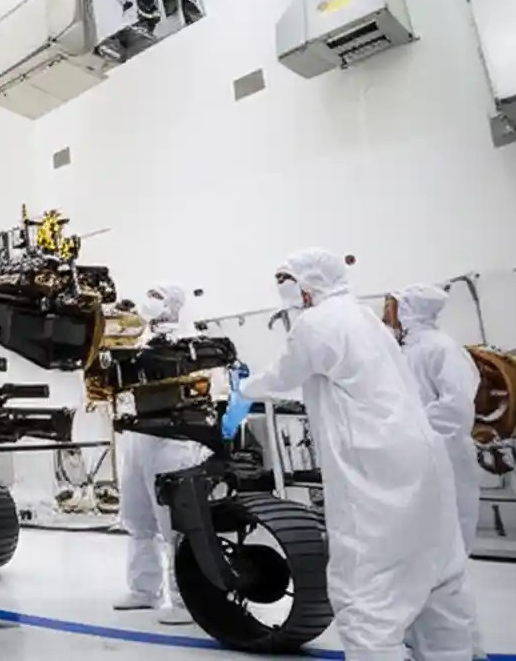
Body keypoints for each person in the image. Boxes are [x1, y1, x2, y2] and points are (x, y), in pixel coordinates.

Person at [234, 249, 472, 661]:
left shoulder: (318, 322)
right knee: (439, 589)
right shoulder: (364, 319)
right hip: (424, 461)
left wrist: (239, 388)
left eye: (287, 281)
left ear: (308, 286)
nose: (285, 291)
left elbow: (283, 375)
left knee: (366, 598)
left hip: (375, 471)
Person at [387, 283, 487, 659]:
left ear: (409, 309)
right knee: (417, 563)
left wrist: (403, 427)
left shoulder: (442, 349)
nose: (386, 315)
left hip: (444, 463)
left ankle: (458, 650)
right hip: (414, 464)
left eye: (391, 306)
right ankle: (446, 647)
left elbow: (456, 411)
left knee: (446, 566)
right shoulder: (406, 351)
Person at [114, 283, 208, 626]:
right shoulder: (138, 338)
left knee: (175, 521)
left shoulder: (189, 342)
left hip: (172, 437)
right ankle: (144, 589)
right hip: (138, 435)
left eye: (157, 297)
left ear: (173, 304)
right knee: (137, 516)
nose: (148, 302)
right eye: (148, 294)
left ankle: (188, 601)